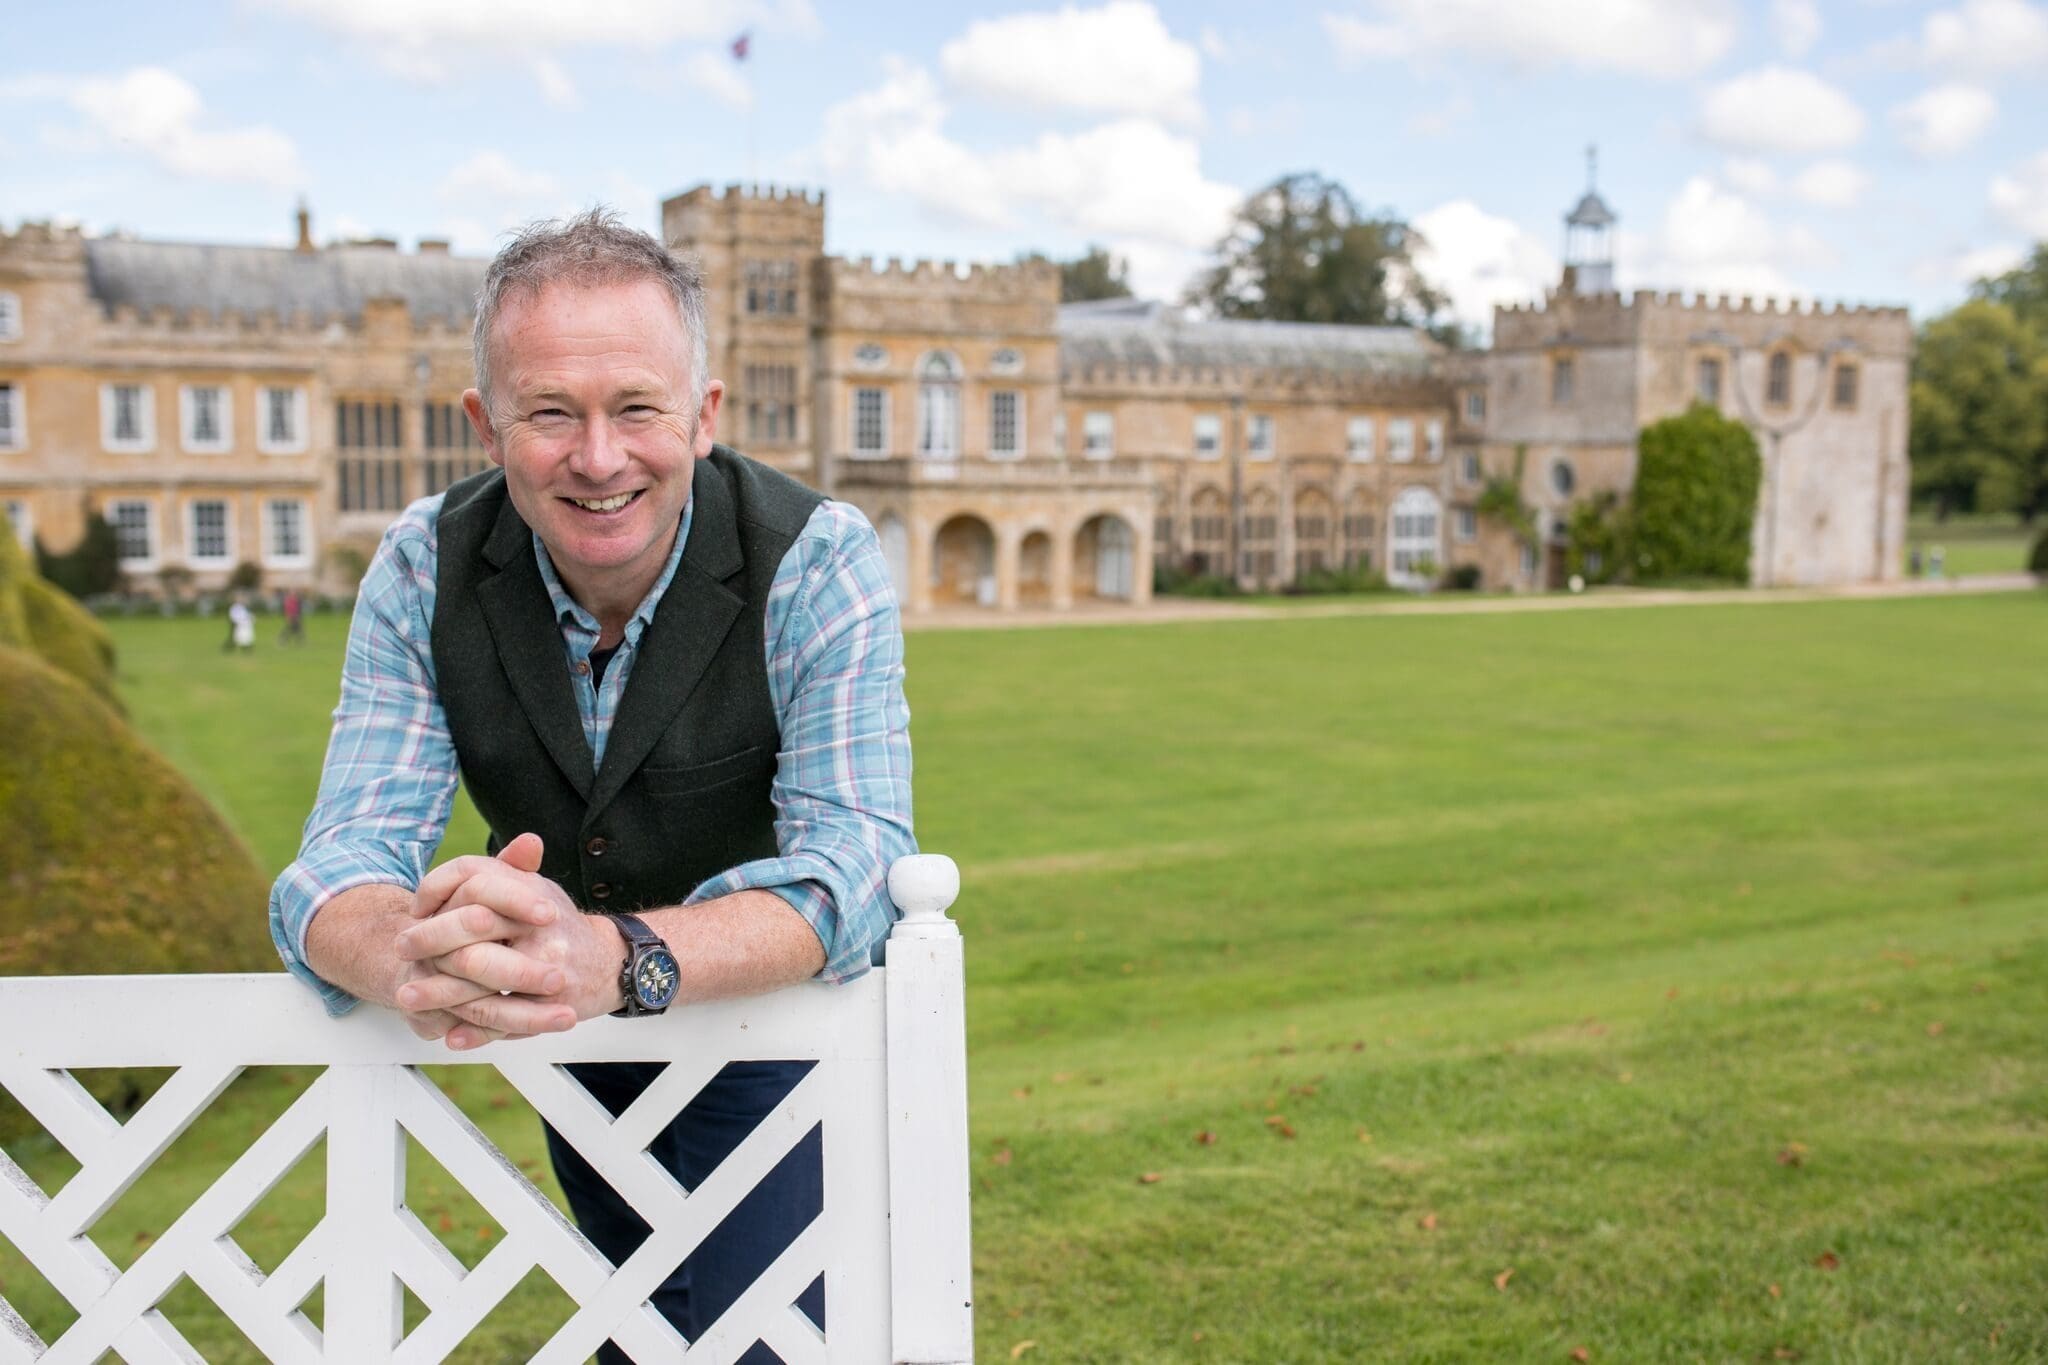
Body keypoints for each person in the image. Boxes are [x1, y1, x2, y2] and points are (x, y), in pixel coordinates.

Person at [269, 209, 915, 1358]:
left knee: (760, 1343)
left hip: (774, 1029)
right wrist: (417, 953)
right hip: (567, 1037)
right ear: (486, 427)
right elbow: (342, 858)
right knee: (639, 1327)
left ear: (703, 415)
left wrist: (617, 958)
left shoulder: (814, 554)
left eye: (636, 409)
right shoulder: (423, 563)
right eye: (551, 413)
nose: (600, 458)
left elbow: (859, 863)